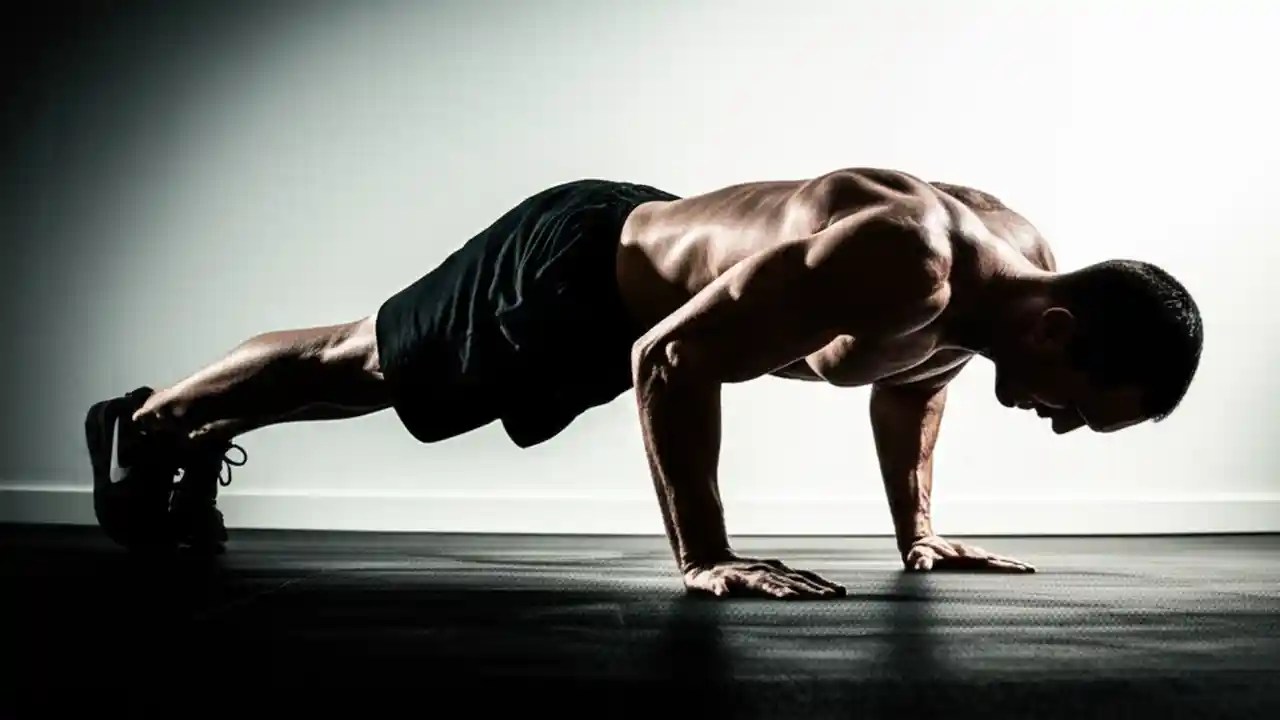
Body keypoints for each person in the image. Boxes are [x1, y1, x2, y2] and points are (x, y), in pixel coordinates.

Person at [84, 168, 1203, 599]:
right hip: (575, 266)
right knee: (367, 362)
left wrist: (917, 533)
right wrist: (705, 556)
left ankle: (180, 430)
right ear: (1059, 329)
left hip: (627, 292)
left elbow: (913, 384)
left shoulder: (996, 287)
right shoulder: (909, 258)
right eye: (1077, 408)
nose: (1059, 429)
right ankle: (149, 421)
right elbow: (668, 356)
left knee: (397, 390)